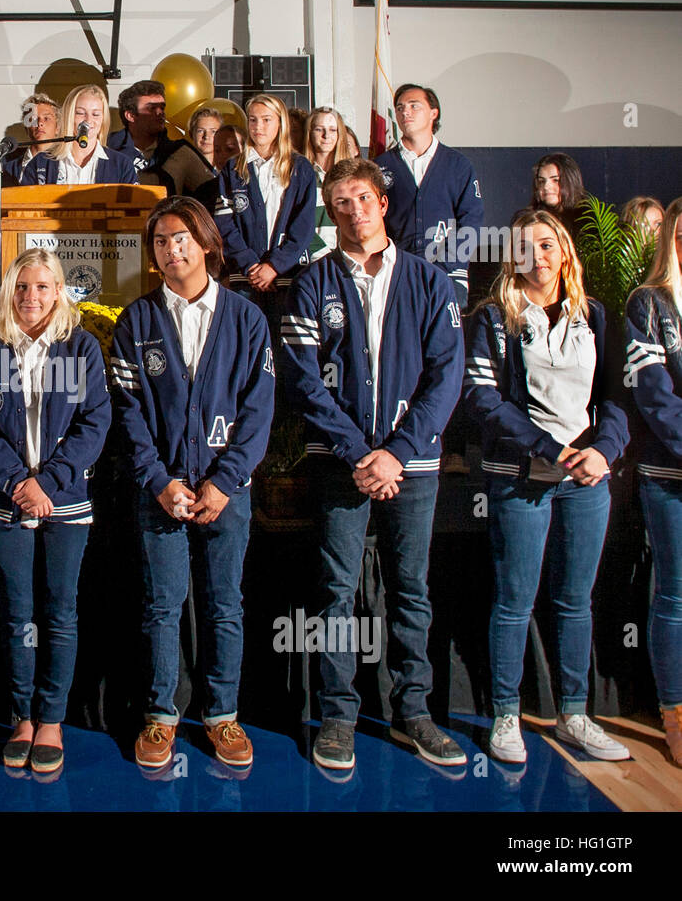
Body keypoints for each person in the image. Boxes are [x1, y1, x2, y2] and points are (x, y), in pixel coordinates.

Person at [279, 158, 465, 771]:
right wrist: (362, 453)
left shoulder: (430, 281)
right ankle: (338, 716)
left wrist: (398, 453)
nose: (353, 210)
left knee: (410, 589)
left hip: (413, 465)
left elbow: (447, 378)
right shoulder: (312, 282)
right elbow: (305, 380)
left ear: (382, 203)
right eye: (340, 203)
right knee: (336, 592)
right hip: (342, 463)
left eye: (362, 198)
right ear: (329, 215)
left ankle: (414, 712)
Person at [112, 196, 275, 771]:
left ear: (207, 242)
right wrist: (159, 481)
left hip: (226, 493)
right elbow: (128, 412)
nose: (171, 248)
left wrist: (225, 482)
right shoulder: (137, 320)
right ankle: (160, 716)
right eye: (160, 241)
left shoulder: (247, 317)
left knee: (223, 606)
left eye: (181, 237)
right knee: (162, 606)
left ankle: (222, 715)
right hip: (161, 493)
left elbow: (258, 412)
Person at [463, 207, 630, 764]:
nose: (538, 256)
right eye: (526, 247)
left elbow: (616, 400)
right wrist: (550, 450)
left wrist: (602, 453)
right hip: (522, 480)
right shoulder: (493, 318)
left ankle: (575, 715)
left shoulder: (597, 316)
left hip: (586, 483)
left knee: (574, 601)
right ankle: (506, 715)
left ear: (564, 252)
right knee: (514, 601)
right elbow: (485, 402)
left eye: (548, 245)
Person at [0, 247, 110, 773]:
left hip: (66, 503)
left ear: (59, 291)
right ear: (8, 292)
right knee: (17, 613)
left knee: (60, 612)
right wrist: (18, 483)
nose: (31, 297)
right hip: (7, 504)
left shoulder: (82, 348)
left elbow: (96, 424)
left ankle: (51, 720)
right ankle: (21, 718)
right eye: (22, 287)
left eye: (42, 287)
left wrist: (49, 482)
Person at [625, 197, 682, 765]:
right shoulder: (650, 302)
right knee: (677, 594)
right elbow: (656, 398)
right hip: (671, 472)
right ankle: (675, 712)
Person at [211, 93, 317, 326]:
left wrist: (274, 266)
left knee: (285, 347)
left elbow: (304, 226)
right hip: (245, 278)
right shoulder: (234, 168)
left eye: (267, 120)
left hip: (287, 278)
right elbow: (223, 223)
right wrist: (251, 264)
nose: (259, 126)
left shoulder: (300, 168)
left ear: (280, 123)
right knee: (246, 344)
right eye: (253, 120)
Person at [375, 83, 483, 310]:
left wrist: (448, 264)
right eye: (400, 108)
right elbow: (375, 223)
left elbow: (471, 220)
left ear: (434, 113)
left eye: (414, 106)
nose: (406, 112)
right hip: (398, 271)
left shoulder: (458, 165)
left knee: (443, 341)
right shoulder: (380, 166)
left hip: (449, 273)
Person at [20, 85, 138, 186]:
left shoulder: (121, 164)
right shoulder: (41, 162)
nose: (88, 120)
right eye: (80, 113)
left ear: (103, 119)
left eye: (96, 114)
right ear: (69, 116)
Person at [108, 80, 209, 195]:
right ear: (130, 116)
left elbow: (211, 193)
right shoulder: (107, 151)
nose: (160, 112)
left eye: (162, 107)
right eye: (151, 108)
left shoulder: (179, 152)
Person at [304, 107, 359, 262]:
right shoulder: (299, 174)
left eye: (332, 130)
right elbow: (298, 222)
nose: (326, 135)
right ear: (310, 133)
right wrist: (323, 257)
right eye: (319, 129)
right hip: (312, 261)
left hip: (349, 260)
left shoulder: (353, 175)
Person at [2, 93, 60, 181]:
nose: (40, 123)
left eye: (46, 118)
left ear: (57, 128)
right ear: (27, 128)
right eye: (33, 119)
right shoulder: (9, 167)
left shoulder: (66, 163)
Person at [531, 152, 588, 243]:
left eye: (555, 180)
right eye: (541, 181)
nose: (546, 186)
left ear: (570, 181)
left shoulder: (590, 222)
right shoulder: (532, 220)